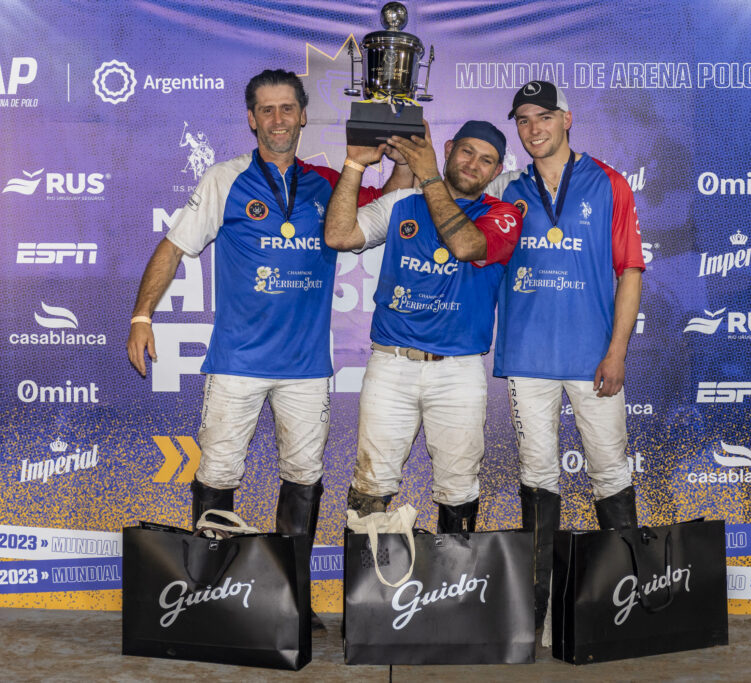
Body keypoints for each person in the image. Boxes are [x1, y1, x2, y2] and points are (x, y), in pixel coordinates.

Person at [126, 69, 411, 623]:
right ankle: (209, 599)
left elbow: (391, 203)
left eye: (288, 108)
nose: (278, 119)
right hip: (237, 363)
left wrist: (400, 150)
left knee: (304, 478)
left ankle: (293, 602)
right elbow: (174, 246)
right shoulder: (225, 179)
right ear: (252, 119)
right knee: (218, 474)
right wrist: (142, 315)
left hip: (306, 368)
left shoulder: (331, 181)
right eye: (267, 110)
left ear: (304, 116)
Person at [486, 80, 646, 628]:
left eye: (544, 117)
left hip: (593, 359)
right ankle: (538, 604)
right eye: (524, 120)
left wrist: (617, 351)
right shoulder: (507, 189)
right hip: (527, 357)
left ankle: (629, 596)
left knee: (610, 471)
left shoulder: (608, 182)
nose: (534, 128)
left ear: (567, 119)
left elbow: (630, 270)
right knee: (537, 474)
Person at [325, 120, 523, 532]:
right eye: (467, 151)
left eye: (487, 161)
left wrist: (429, 172)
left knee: (458, 487)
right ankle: (371, 589)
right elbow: (340, 235)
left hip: (458, 371)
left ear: (496, 171)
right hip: (391, 365)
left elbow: (466, 246)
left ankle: (453, 590)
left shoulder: (502, 215)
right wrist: (355, 165)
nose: (473, 165)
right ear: (448, 148)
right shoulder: (401, 204)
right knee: (370, 482)